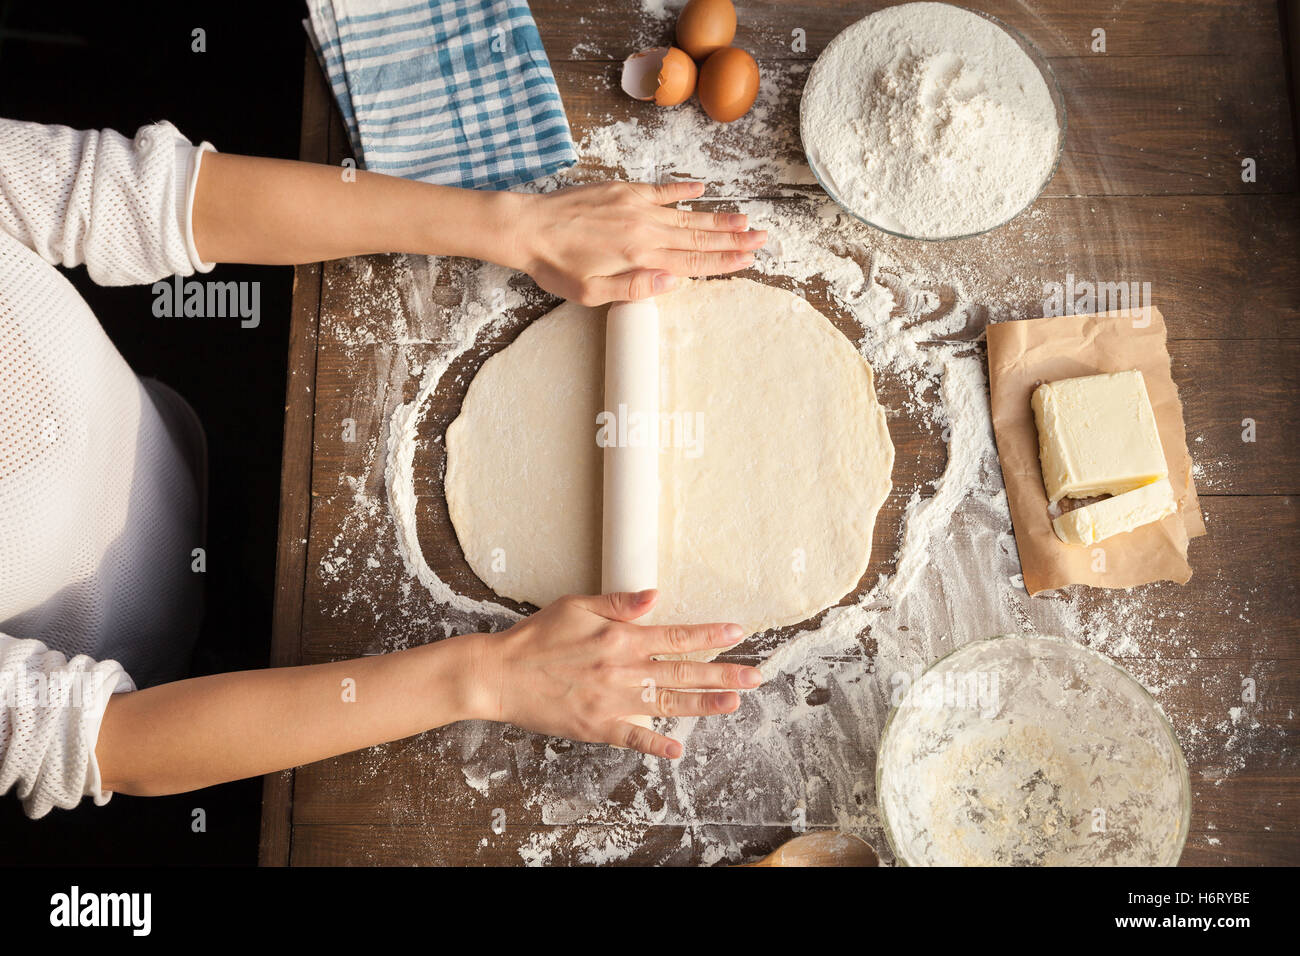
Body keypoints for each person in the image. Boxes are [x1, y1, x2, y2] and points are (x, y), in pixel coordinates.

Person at [0, 118, 768, 818]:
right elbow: (107, 743)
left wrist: (521, 226)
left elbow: (145, 198)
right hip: (171, 694)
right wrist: (487, 677)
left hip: (189, 446)